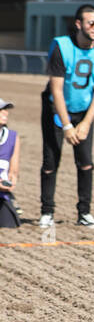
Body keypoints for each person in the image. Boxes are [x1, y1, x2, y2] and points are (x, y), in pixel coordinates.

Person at [40, 4, 94, 228]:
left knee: (85, 163)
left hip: (84, 109)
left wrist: (85, 123)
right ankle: (47, 212)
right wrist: (66, 125)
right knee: (51, 161)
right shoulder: (62, 47)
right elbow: (57, 90)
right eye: (91, 23)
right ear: (78, 24)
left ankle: (84, 212)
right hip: (56, 109)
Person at [0, 95, 20, 228]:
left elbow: (13, 170)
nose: (5, 113)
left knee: (10, 225)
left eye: (5, 109)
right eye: (1, 110)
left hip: (1, 192)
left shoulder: (13, 137)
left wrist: (11, 181)